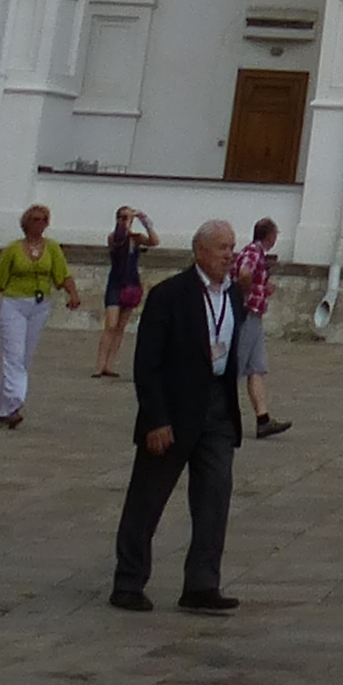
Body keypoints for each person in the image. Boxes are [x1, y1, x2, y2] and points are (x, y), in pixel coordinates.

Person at [112, 219, 244, 613]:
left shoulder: (233, 295)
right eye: (222, 247)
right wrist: (155, 419)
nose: (229, 255)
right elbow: (147, 363)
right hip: (174, 409)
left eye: (232, 247)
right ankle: (129, 581)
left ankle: (202, 584)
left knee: (215, 498)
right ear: (199, 251)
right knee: (148, 498)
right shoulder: (170, 295)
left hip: (218, 409)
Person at [0, 203, 80, 426]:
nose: (39, 223)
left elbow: (62, 274)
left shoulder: (52, 248)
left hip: (39, 306)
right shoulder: (13, 249)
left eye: (43, 219)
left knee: (24, 357)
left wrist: (72, 293)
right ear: (25, 223)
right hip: (14, 304)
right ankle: (15, 401)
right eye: (35, 219)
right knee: (13, 355)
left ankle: (2, 408)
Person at [235, 217, 288, 438]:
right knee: (236, 365)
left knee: (256, 368)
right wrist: (246, 295)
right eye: (275, 234)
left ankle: (262, 418)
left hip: (255, 316)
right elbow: (244, 273)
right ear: (270, 236)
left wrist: (263, 289)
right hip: (248, 315)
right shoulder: (253, 252)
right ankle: (210, 411)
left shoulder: (258, 254)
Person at [94, 205, 159, 379]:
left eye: (127, 217)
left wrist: (146, 223)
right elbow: (118, 240)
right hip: (116, 283)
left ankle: (110, 364)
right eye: (122, 217)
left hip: (131, 283)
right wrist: (128, 222)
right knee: (111, 325)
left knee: (121, 326)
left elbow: (154, 241)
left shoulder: (136, 239)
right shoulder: (115, 237)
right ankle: (99, 365)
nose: (125, 220)